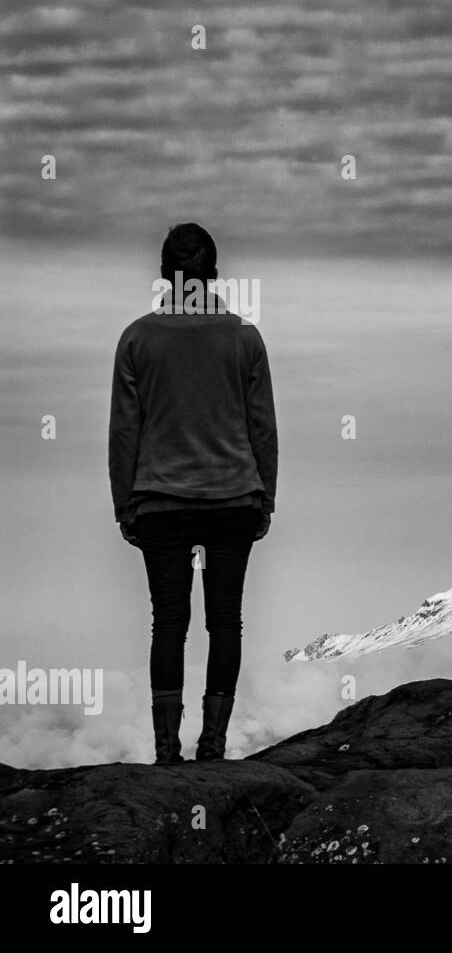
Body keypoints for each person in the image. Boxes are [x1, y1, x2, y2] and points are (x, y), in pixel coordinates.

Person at [108, 222, 277, 765]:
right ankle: (214, 744)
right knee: (226, 620)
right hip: (233, 497)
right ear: (215, 273)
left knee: (169, 624)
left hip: (158, 500)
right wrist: (265, 496)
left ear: (163, 274)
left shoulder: (138, 339)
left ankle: (165, 750)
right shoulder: (244, 338)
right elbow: (262, 428)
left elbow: (124, 432)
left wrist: (124, 504)